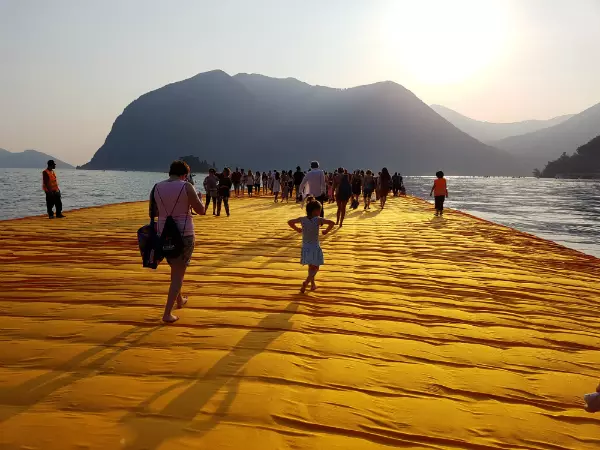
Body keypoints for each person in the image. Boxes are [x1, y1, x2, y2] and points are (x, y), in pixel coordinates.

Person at [151, 160, 205, 323]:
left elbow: (154, 211)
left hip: (163, 233)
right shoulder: (186, 186)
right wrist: (199, 199)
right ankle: (167, 314)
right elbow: (201, 211)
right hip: (183, 234)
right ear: (185, 175)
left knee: (176, 268)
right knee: (178, 273)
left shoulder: (157, 187)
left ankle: (179, 300)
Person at [287, 197, 335, 293]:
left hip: (305, 247)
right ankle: (306, 282)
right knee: (316, 267)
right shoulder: (318, 219)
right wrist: (326, 231)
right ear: (316, 211)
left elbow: (290, 222)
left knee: (310, 266)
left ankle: (312, 284)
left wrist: (297, 229)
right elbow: (332, 223)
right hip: (314, 247)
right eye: (319, 211)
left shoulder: (302, 219)